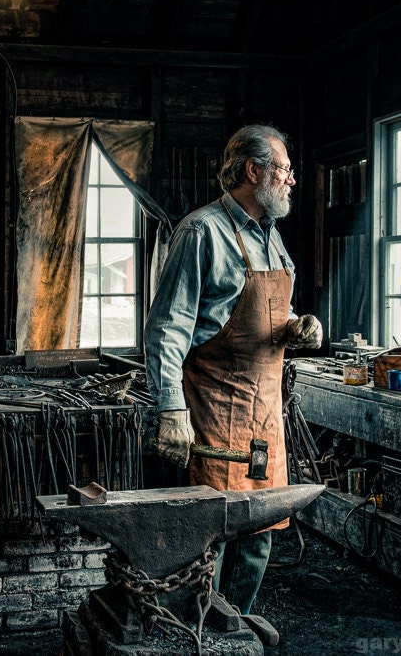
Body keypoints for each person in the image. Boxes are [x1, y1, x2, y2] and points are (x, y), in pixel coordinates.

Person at [143, 124, 322, 636]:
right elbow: (167, 329)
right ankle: (195, 631)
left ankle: (232, 627)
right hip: (215, 408)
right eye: (284, 170)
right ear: (254, 170)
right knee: (212, 535)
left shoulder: (272, 237)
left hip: (264, 411)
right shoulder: (202, 232)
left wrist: (299, 327)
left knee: (259, 530)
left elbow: (272, 316)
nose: (291, 181)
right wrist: (171, 410)